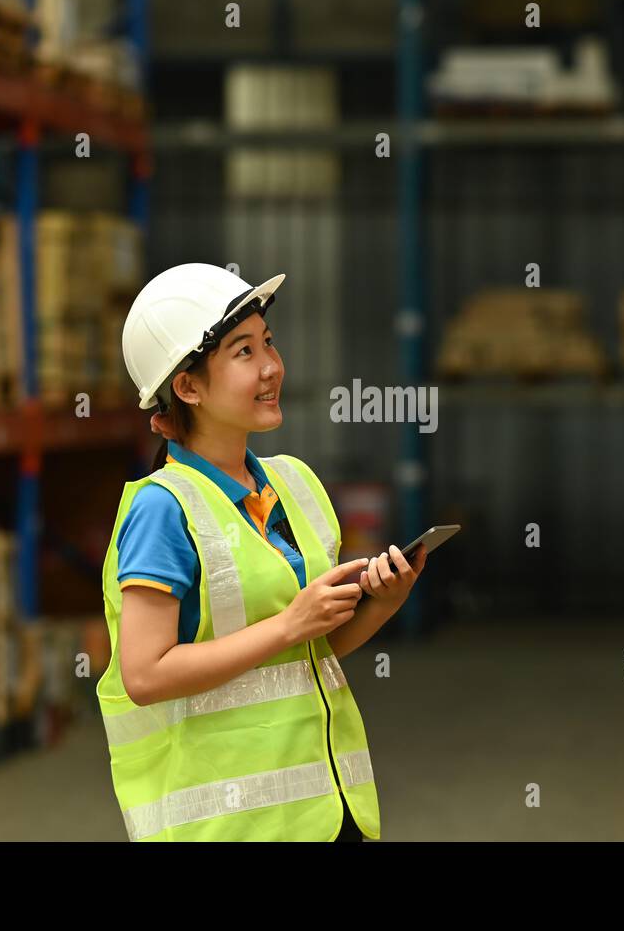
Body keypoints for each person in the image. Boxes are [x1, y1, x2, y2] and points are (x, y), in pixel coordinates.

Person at [96, 263, 427, 842]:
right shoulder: (163, 510)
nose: (272, 367)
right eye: (243, 352)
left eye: (268, 343)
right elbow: (144, 674)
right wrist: (289, 625)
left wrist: (381, 604)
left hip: (329, 812)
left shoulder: (293, 483)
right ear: (188, 387)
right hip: (232, 825)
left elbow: (307, 654)